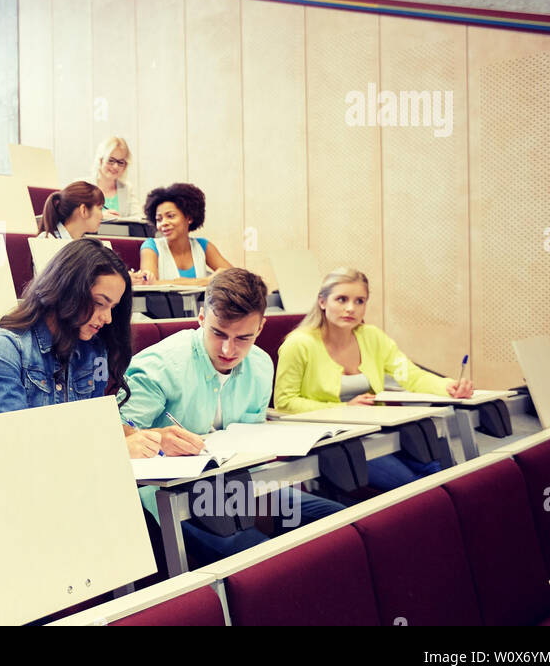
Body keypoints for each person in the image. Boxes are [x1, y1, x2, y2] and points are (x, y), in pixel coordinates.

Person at [119, 268, 345, 565]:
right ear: (201, 317)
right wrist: (154, 440)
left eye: (243, 338)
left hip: (243, 488)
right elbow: (118, 436)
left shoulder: (262, 366)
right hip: (179, 500)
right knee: (261, 557)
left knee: (340, 524)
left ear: (261, 327)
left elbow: (252, 441)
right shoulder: (159, 366)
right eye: (218, 333)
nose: (229, 349)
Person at [273, 267, 474, 490]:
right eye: (341, 299)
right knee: (414, 487)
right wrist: (343, 408)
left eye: (360, 301)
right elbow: (285, 402)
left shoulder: (372, 337)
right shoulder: (298, 344)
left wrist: (449, 386)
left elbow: (410, 375)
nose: (351, 308)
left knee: (441, 471)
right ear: (322, 302)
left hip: (377, 432)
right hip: (333, 442)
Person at [0, 239, 167, 458]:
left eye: (112, 307)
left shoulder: (96, 351)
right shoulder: (5, 348)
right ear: (66, 290)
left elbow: (96, 425)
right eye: (99, 302)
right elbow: (20, 444)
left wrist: (145, 436)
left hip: (79, 474)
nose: (107, 318)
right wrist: (114, 448)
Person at [137, 183, 232, 285]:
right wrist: (207, 281)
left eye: (170, 216)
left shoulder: (203, 246)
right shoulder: (150, 247)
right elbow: (149, 284)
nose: (163, 223)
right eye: (159, 219)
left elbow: (234, 277)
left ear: (189, 217)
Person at [38, 181, 104, 242]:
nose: (102, 217)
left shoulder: (88, 245)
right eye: (100, 208)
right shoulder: (47, 239)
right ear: (83, 210)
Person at [89, 136, 137, 220]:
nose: (115, 166)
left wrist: (118, 219)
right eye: (111, 160)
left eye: (120, 162)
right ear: (100, 160)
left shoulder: (127, 189)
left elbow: (138, 218)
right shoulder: (83, 186)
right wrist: (100, 216)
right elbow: (73, 218)